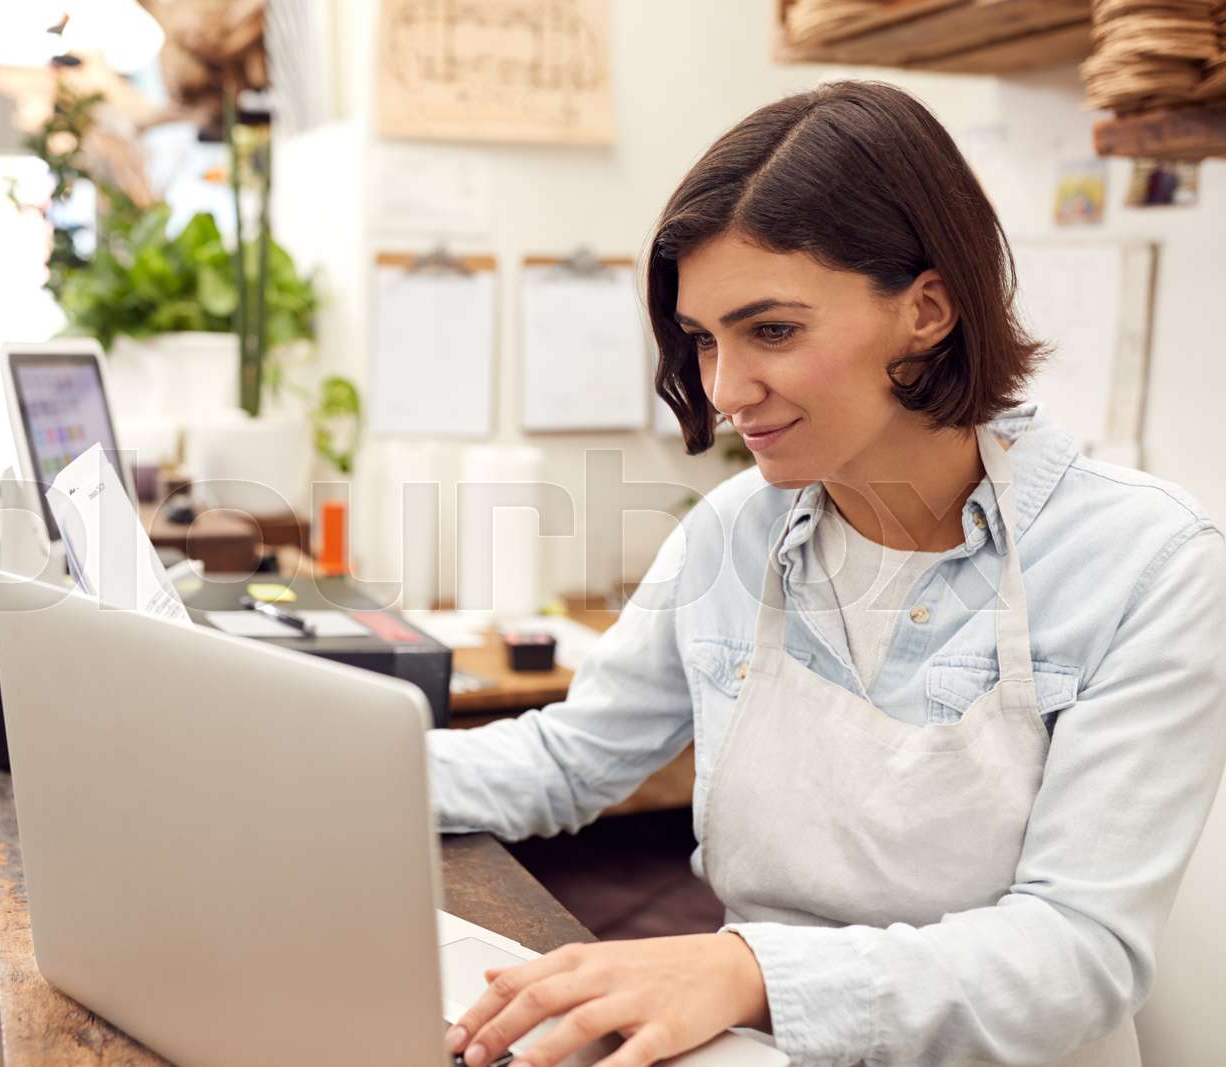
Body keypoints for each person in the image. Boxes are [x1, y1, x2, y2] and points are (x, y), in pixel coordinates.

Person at [432, 80, 1226, 1067]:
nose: (723, 388)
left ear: (926, 309)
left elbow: (1075, 955)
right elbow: (567, 758)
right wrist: (337, 768)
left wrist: (749, 972)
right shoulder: (731, 533)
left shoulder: (1146, 565)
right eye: (704, 339)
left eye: (771, 330)